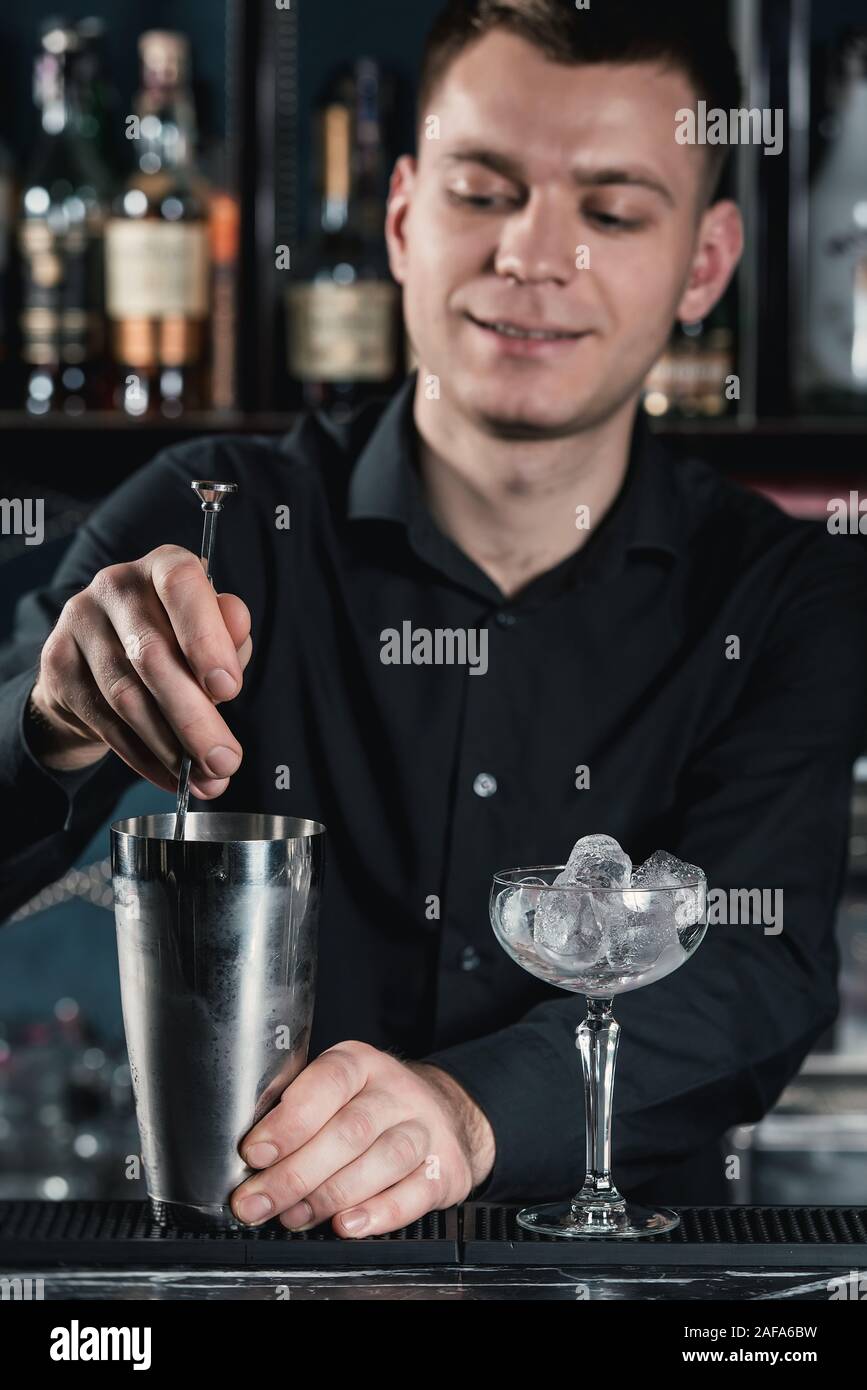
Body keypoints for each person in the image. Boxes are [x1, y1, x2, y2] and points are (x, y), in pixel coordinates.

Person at [2, 0, 866, 1237]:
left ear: (705, 266)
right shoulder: (211, 517)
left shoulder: (782, 592)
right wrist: (50, 721)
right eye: (483, 190)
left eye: (613, 212)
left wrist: (472, 1114)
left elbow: (756, 967)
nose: (534, 252)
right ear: (403, 214)